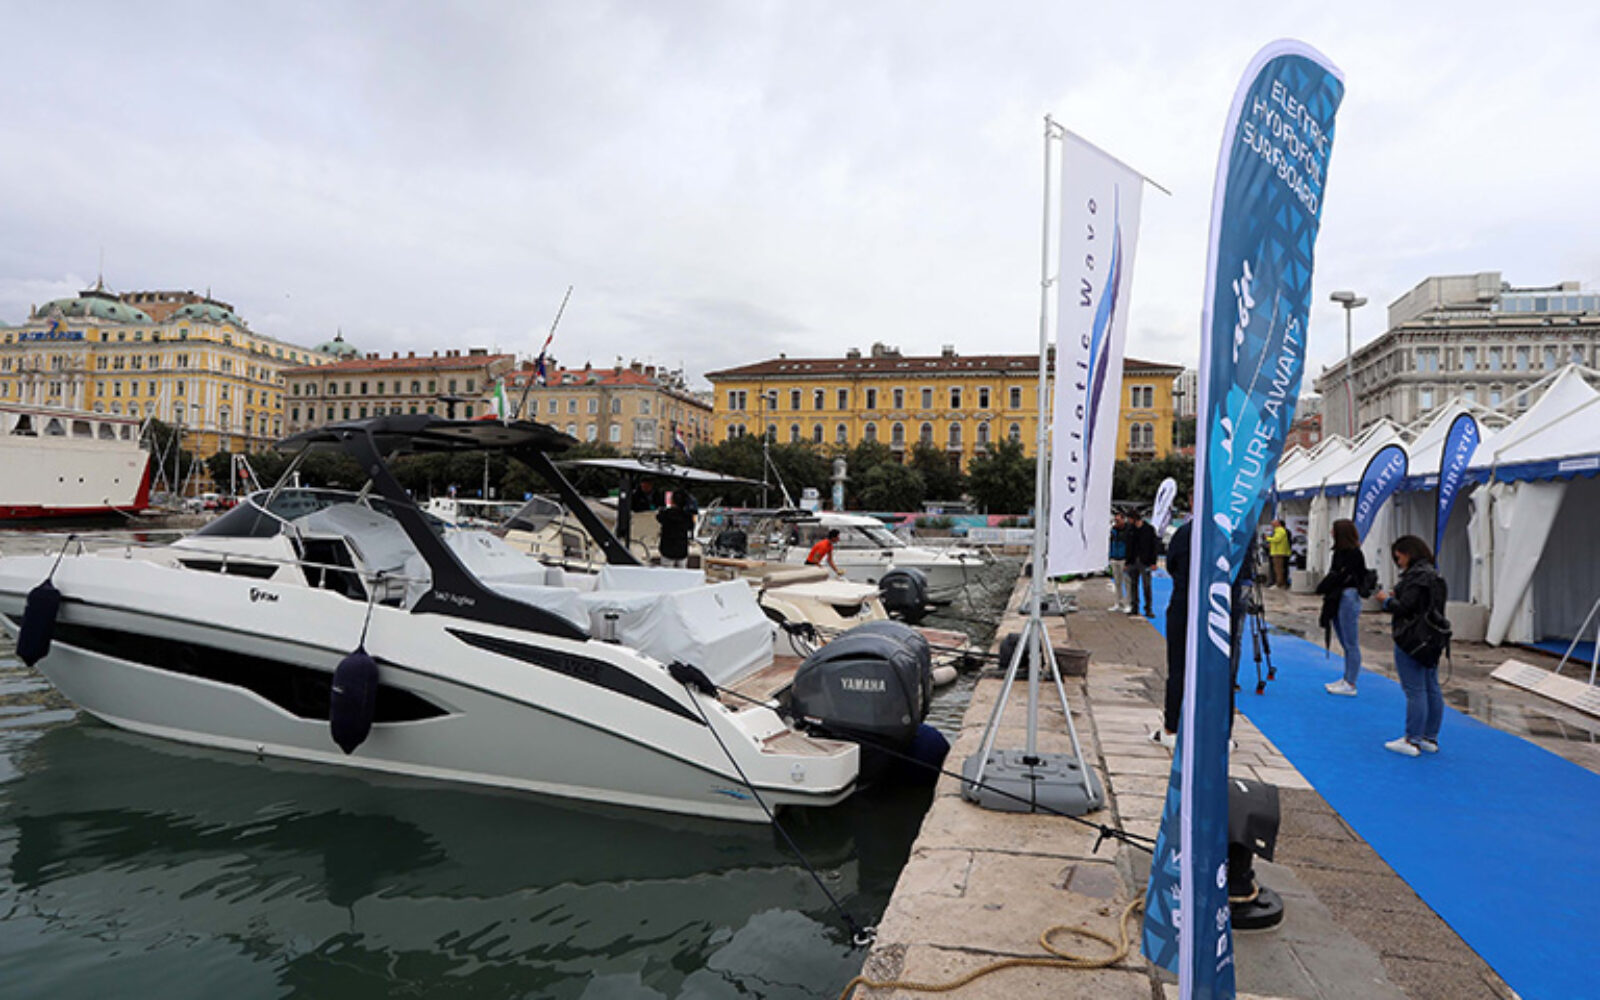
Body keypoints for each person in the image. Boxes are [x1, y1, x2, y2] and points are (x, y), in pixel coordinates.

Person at [1374, 535, 1448, 756]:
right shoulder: (1434, 575)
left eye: (1399, 557)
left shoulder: (1416, 577)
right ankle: (1429, 737)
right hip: (1433, 637)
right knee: (1432, 687)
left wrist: (1386, 600)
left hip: (1412, 638)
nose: (1398, 562)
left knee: (1415, 690)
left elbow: (1405, 608)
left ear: (1407, 553)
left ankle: (1412, 739)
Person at [1151, 515, 1191, 748]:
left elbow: (1172, 563)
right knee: (1219, 672)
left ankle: (1171, 727)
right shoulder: (1230, 532)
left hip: (1183, 603)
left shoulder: (1184, 533)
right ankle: (1218, 732)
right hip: (1218, 609)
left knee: (1177, 668)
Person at [1317, 518, 1368, 696]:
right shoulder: (1339, 552)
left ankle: (1351, 682)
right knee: (1345, 641)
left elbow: (1353, 575)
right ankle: (1347, 677)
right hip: (1338, 597)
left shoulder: (1353, 553)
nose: (1331, 532)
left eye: (1333, 529)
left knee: (1351, 641)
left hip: (1347, 596)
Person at [1125, 509, 1159, 617]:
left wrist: (1153, 562)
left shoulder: (1149, 529)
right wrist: (1127, 562)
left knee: (1147, 586)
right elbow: (1129, 546)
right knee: (1133, 585)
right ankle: (1134, 607)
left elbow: (1154, 547)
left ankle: (1148, 608)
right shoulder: (1131, 530)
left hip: (1146, 561)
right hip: (1133, 560)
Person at [655, 491, 696, 568]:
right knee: (682, 574)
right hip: (681, 549)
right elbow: (691, 526)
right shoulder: (687, 516)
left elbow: (658, 517)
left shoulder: (666, 514)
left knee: (667, 574)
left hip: (667, 549)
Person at [1108, 510, 1130, 612]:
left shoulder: (1128, 530)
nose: (1116, 521)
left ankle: (1128, 603)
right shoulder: (1113, 530)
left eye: (1118, 519)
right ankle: (1118, 602)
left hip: (1124, 558)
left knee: (1127, 583)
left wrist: (1128, 560)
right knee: (1117, 582)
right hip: (1114, 558)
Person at [1268, 519, 1291, 589]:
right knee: (1278, 569)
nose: (1272, 525)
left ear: (1278, 524)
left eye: (1273, 524)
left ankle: (1279, 584)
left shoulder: (1280, 530)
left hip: (1279, 552)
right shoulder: (1278, 530)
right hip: (1277, 552)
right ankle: (1281, 583)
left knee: (1279, 569)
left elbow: (1277, 539)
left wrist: (1268, 538)